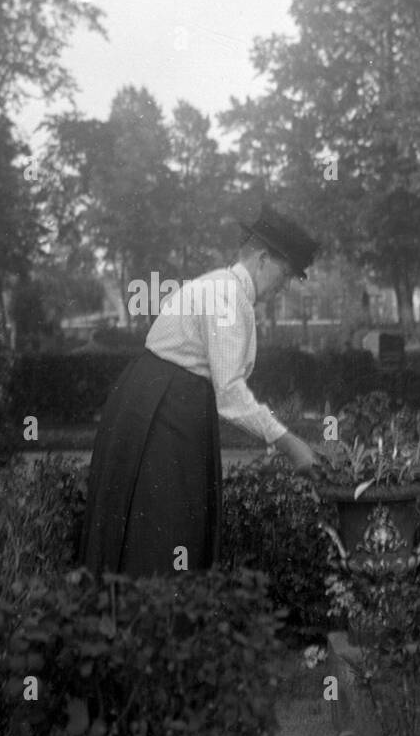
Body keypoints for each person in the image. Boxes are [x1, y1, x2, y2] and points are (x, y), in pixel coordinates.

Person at [79, 204, 321, 579]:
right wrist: (289, 443)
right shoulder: (225, 296)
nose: (284, 286)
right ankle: (150, 625)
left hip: (168, 403)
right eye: (285, 274)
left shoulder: (227, 290)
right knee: (161, 526)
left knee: (174, 524)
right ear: (261, 259)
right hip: (161, 409)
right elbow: (230, 393)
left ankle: (158, 622)